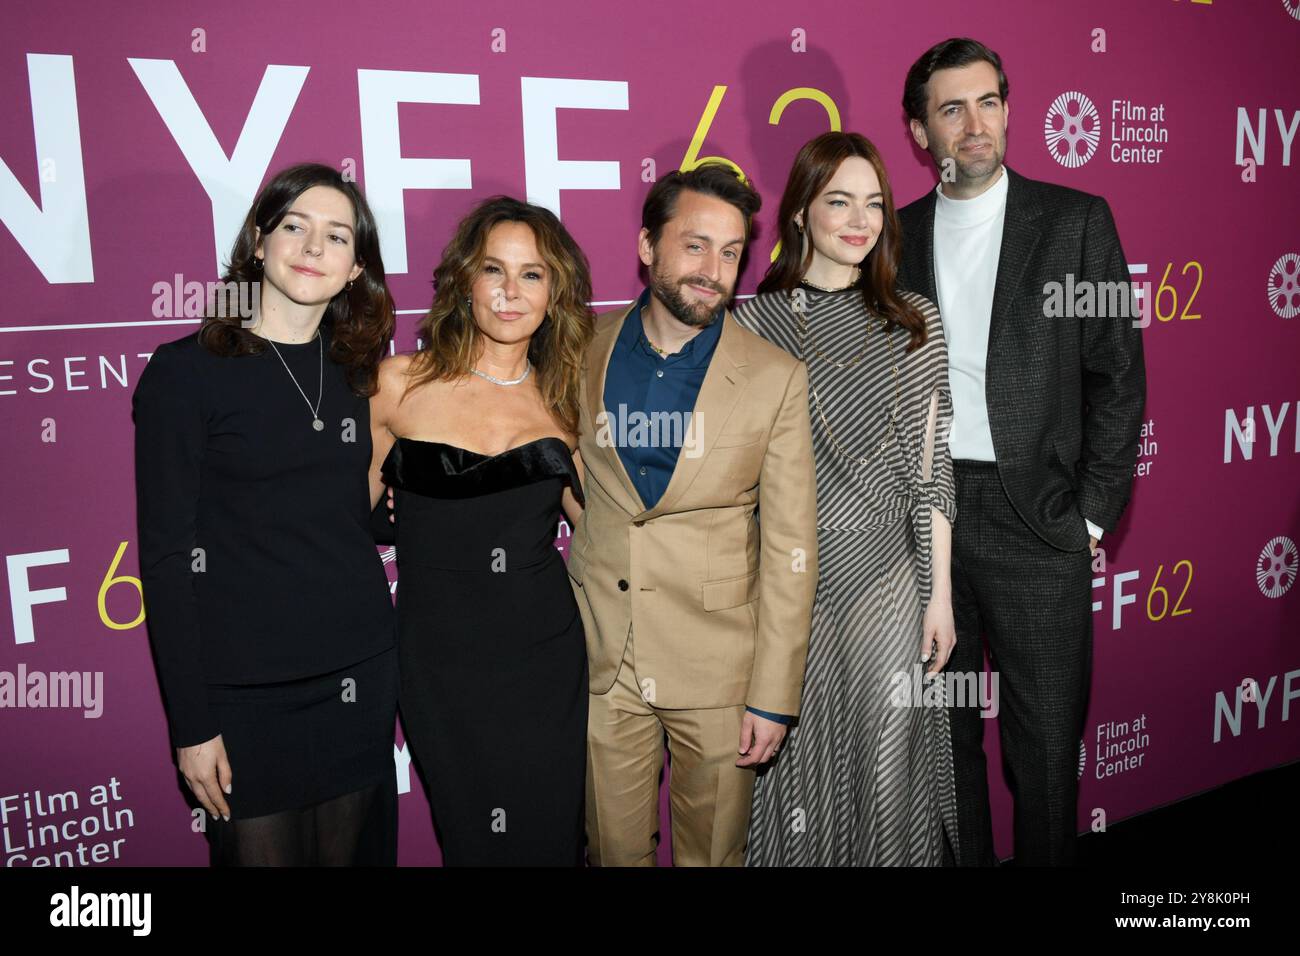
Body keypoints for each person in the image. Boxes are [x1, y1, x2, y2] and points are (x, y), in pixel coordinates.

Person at [897, 38, 1147, 866]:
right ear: (919, 131)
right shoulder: (893, 238)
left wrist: (1090, 519)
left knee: (1044, 759)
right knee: (947, 751)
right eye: (952, 108)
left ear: (1008, 108)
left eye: (989, 102)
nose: (975, 124)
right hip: (925, 524)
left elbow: (1118, 373)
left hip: (1038, 524)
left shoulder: (1077, 221)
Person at [133, 162, 399, 866]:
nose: (314, 247)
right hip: (244, 692)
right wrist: (190, 726)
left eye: (337, 236)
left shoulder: (360, 374)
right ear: (258, 242)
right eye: (295, 227)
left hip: (358, 672)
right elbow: (164, 559)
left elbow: (353, 517)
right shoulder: (184, 374)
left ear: (354, 269)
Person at [571, 162, 818, 866]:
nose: (714, 269)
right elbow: (573, 468)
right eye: (695, 245)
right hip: (604, 662)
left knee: (713, 855)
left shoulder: (775, 378)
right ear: (648, 246)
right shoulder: (588, 346)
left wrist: (773, 695)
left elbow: (793, 549)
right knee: (612, 851)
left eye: (732, 251)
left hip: (719, 671)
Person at [734, 131, 959, 865]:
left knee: (889, 766)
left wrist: (939, 596)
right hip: (791, 589)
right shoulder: (752, 325)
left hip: (889, 588)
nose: (859, 220)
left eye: (873, 203)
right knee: (798, 776)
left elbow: (932, 470)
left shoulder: (913, 320)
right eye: (839, 201)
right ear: (800, 212)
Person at [369, 196, 594, 865]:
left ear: (554, 293)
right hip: (440, 661)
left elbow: (608, 536)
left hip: (546, 658)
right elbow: (341, 521)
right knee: (474, 842)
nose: (509, 291)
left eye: (532, 274)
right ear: (464, 280)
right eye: (494, 269)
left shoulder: (566, 401)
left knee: (554, 840)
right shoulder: (396, 386)